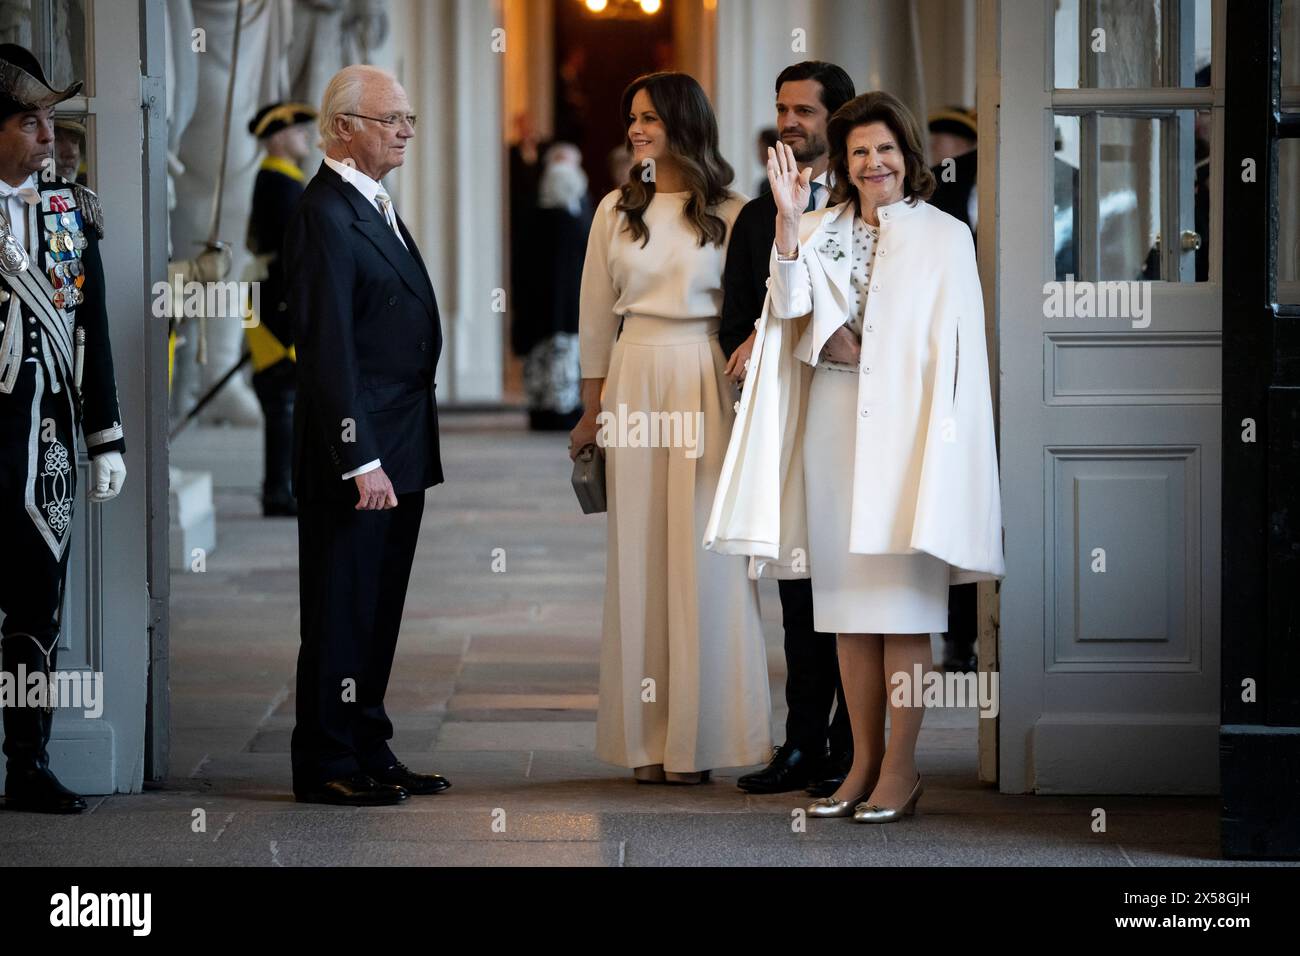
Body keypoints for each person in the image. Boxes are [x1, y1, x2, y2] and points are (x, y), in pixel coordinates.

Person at [707, 91, 1004, 823]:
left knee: (902, 615)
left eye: (885, 150)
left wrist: (888, 371)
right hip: (835, 430)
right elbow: (787, 310)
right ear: (842, 163)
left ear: (909, 157)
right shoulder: (817, 226)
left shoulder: (944, 236)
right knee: (844, 614)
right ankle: (859, 766)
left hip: (910, 435)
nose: (874, 163)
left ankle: (901, 771)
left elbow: (960, 353)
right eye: (859, 152)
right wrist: (784, 221)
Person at [569, 71, 770, 785]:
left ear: (684, 123)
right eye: (632, 118)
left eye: (649, 117)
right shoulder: (614, 210)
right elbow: (596, 318)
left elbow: (760, 313)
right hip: (632, 376)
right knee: (639, 556)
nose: (635, 129)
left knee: (704, 559)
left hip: (702, 375)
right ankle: (646, 741)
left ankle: (703, 739)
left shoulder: (738, 211)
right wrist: (591, 410)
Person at [284, 64, 450, 806]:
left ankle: (368, 744)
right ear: (345, 126)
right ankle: (326, 758)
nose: (407, 131)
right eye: (393, 120)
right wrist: (361, 459)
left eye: (409, 118)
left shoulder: (369, 203)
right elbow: (326, 349)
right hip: (359, 453)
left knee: (378, 609)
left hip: (402, 443)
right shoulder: (323, 212)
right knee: (341, 608)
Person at [720, 61, 857, 798]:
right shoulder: (753, 216)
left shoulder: (867, 208)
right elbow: (736, 320)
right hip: (791, 424)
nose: (790, 121)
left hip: (854, 419)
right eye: (782, 108)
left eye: (805, 109)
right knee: (799, 591)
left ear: (838, 117)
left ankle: (853, 746)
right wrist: (746, 344)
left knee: (855, 590)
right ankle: (803, 743)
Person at [0, 44, 126, 813]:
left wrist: (104, 437)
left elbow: (94, 331)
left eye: (50, 118)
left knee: (36, 605)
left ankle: (27, 765)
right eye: (29, 119)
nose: (49, 135)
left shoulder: (68, 213)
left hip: (40, 446)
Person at [245, 101, 316, 517]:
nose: (305, 135)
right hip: (277, 307)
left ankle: (282, 487)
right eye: (297, 130)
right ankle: (279, 490)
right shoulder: (278, 182)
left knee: (284, 402)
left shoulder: (286, 181)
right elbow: (294, 254)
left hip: (274, 301)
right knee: (283, 403)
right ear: (276, 138)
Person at [511, 142, 591, 431]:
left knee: (566, 354)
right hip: (541, 299)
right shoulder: (535, 210)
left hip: (570, 299)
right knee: (543, 354)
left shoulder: (582, 210)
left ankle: (563, 408)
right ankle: (543, 409)